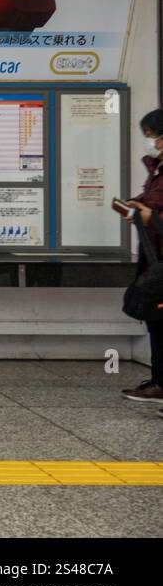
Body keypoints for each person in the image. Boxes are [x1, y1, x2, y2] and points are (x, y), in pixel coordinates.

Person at [121, 108, 163, 405]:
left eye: (155, 136)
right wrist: (138, 209)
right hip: (155, 257)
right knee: (156, 319)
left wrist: (150, 217)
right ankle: (160, 381)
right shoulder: (157, 170)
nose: (153, 144)